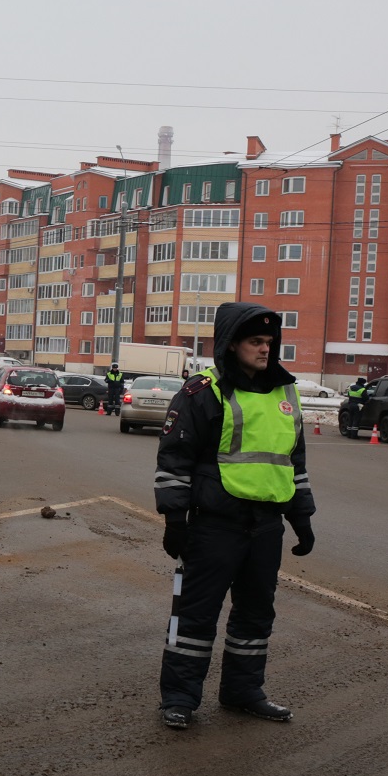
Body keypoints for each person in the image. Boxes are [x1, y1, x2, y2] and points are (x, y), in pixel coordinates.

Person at [153, 303, 315, 729]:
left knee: (256, 615)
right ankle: (180, 698)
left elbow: (293, 462)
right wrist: (174, 520)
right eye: (255, 342)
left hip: (265, 528)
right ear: (232, 345)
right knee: (195, 615)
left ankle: (244, 692)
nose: (265, 349)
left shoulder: (286, 392)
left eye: (269, 342)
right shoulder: (203, 390)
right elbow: (175, 458)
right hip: (215, 525)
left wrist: (303, 519)